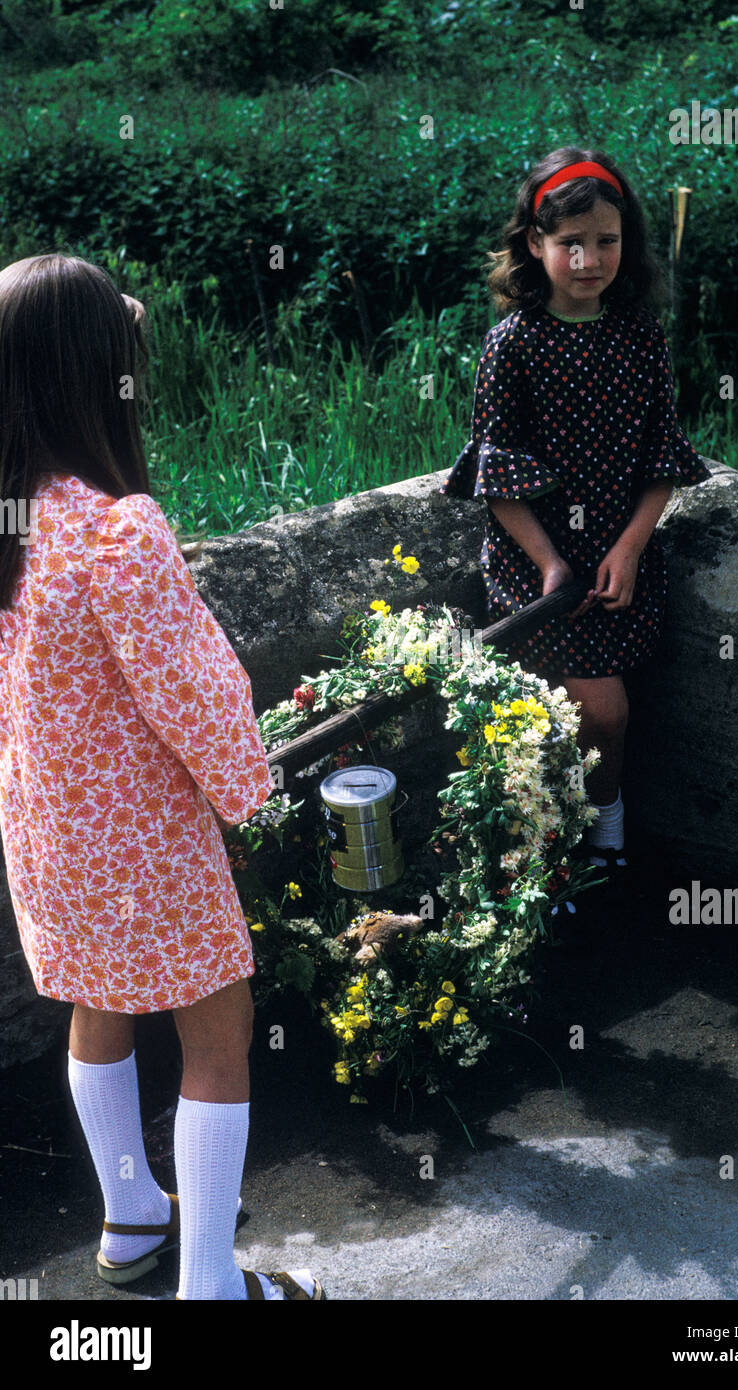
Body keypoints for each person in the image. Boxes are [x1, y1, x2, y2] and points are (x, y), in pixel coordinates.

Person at [0, 253, 325, 1301]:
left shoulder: (15, 527)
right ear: (96, 377)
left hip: (48, 833)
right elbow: (195, 693)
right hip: (146, 838)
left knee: (96, 1008)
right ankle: (212, 1287)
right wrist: (250, 789)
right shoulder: (115, 528)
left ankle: (130, 1211)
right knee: (219, 1034)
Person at [441, 147, 711, 886]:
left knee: (592, 716)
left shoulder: (637, 334)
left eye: (606, 241)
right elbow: (495, 474)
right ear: (535, 244)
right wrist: (548, 562)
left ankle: (585, 845)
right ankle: (590, 835)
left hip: (619, 561)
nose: (590, 260)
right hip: (541, 565)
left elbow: (665, 455)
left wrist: (627, 546)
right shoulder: (515, 345)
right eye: (570, 243)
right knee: (602, 712)